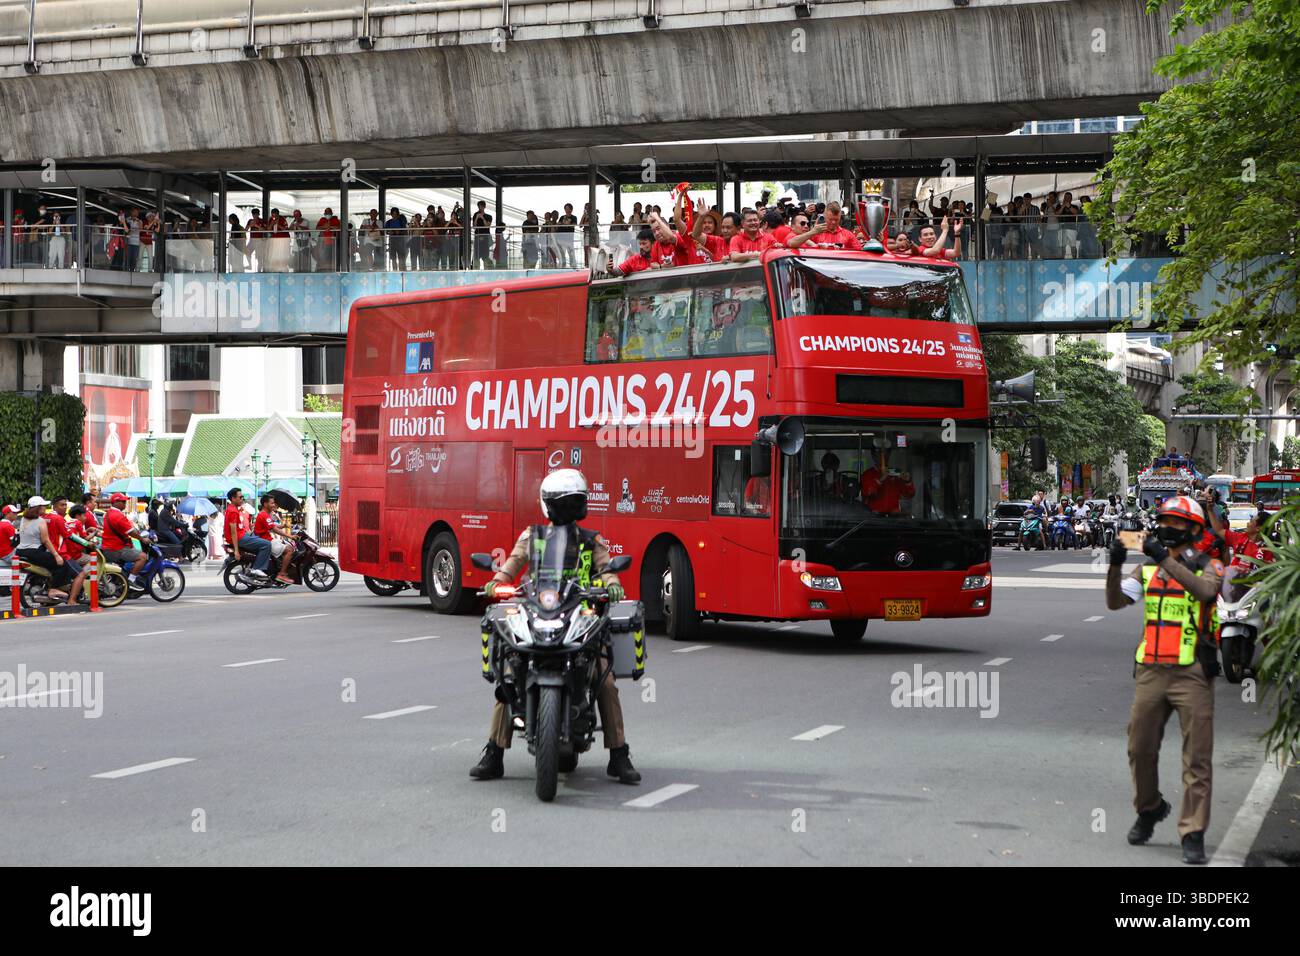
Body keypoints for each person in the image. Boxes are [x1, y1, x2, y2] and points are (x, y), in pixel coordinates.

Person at [470, 468, 641, 785]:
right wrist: (496, 582)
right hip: (538, 612)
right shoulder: (531, 537)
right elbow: (510, 567)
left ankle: (619, 755)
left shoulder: (592, 541)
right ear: (547, 505)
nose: (566, 511)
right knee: (509, 673)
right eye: (561, 504)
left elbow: (607, 571)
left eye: (572, 504)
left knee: (604, 680)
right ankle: (494, 753)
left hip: (582, 615)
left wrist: (613, 585)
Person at [1106, 495, 1223, 865]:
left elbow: (1205, 592)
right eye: (1163, 521)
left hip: (1192, 674)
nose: (1167, 528)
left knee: (1197, 759)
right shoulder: (1145, 571)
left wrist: (1162, 558)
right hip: (1151, 671)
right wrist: (1115, 563)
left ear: (1193, 530)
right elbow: (1114, 603)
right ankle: (1150, 808)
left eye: (1175, 523)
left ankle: (1192, 832)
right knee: (1139, 748)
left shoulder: (1210, 565)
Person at [17, 496, 84, 604]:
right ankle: (56, 590)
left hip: (20, 551)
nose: (45, 507)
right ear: (38, 508)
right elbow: (46, 541)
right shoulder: (41, 521)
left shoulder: (23, 519)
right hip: (35, 552)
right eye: (43, 505)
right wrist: (56, 555)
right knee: (62, 565)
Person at [1220, 510, 1273, 600]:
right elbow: (1218, 530)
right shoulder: (1241, 537)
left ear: (1258, 528)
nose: (1248, 523)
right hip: (1230, 587)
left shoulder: (1270, 548)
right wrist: (1210, 509)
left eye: (1251, 521)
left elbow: (1270, 573)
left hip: (1252, 595)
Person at [101, 492, 149, 588]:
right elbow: (131, 532)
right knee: (143, 557)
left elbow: (128, 528)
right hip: (116, 548)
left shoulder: (109, 513)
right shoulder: (118, 516)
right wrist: (143, 539)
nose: (125, 503)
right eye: (123, 502)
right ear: (115, 502)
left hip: (110, 547)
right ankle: (130, 581)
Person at [224, 488, 272, 578]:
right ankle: (257, 568)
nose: (242, 499)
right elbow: (233, 532)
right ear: (233, 498)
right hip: (240, 538)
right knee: (267, 544)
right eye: (240, 497)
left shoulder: (233, 509)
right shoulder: (233, 511)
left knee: (262, 541)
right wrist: (236, 551)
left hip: (243, 535)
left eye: (243, 497)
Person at [255, 494, 296, 585]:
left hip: (268, 539)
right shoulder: (264, 515)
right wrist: (290, 536)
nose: (274, 505)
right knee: (290, 550)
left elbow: (272, 526)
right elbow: (274, 529)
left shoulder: (265, 514)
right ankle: (282, 574)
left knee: (286, 545)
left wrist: (283, 525)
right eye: (272, 503)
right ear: (265, 504)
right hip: (267, 541)